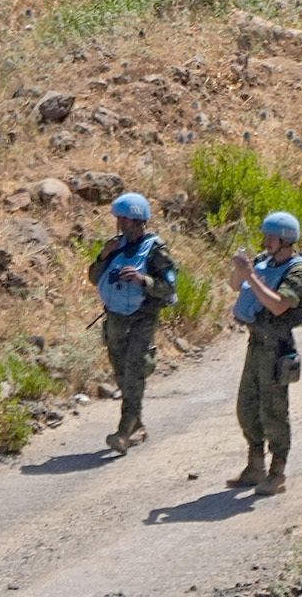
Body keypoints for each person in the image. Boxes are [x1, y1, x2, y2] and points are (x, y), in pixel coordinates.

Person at [225, 210, 302, 497]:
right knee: (247, 406)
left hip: (277, 347)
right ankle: (255, 466)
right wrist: (242, 270)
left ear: (286, 240)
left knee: (274, 411)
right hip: (256, 342)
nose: (266, 242)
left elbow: (278, 306)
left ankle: (277, 472)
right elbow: (236, 286)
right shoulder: (264, 263)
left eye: (271, 237)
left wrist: (251, 274)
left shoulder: (299, 272)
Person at [87, 192, 177, 454]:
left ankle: (124, 431)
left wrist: (142, 280)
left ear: (137, 220)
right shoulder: (115, 246)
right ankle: (137, 424)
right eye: (119, 219)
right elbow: (94, 277)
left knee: (135, 369)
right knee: (121, 373)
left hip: (142, 319)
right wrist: (104, 256)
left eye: (124, 219)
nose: (120, 224)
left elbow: (169, 288)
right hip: (115, 318)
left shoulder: (156, 250)